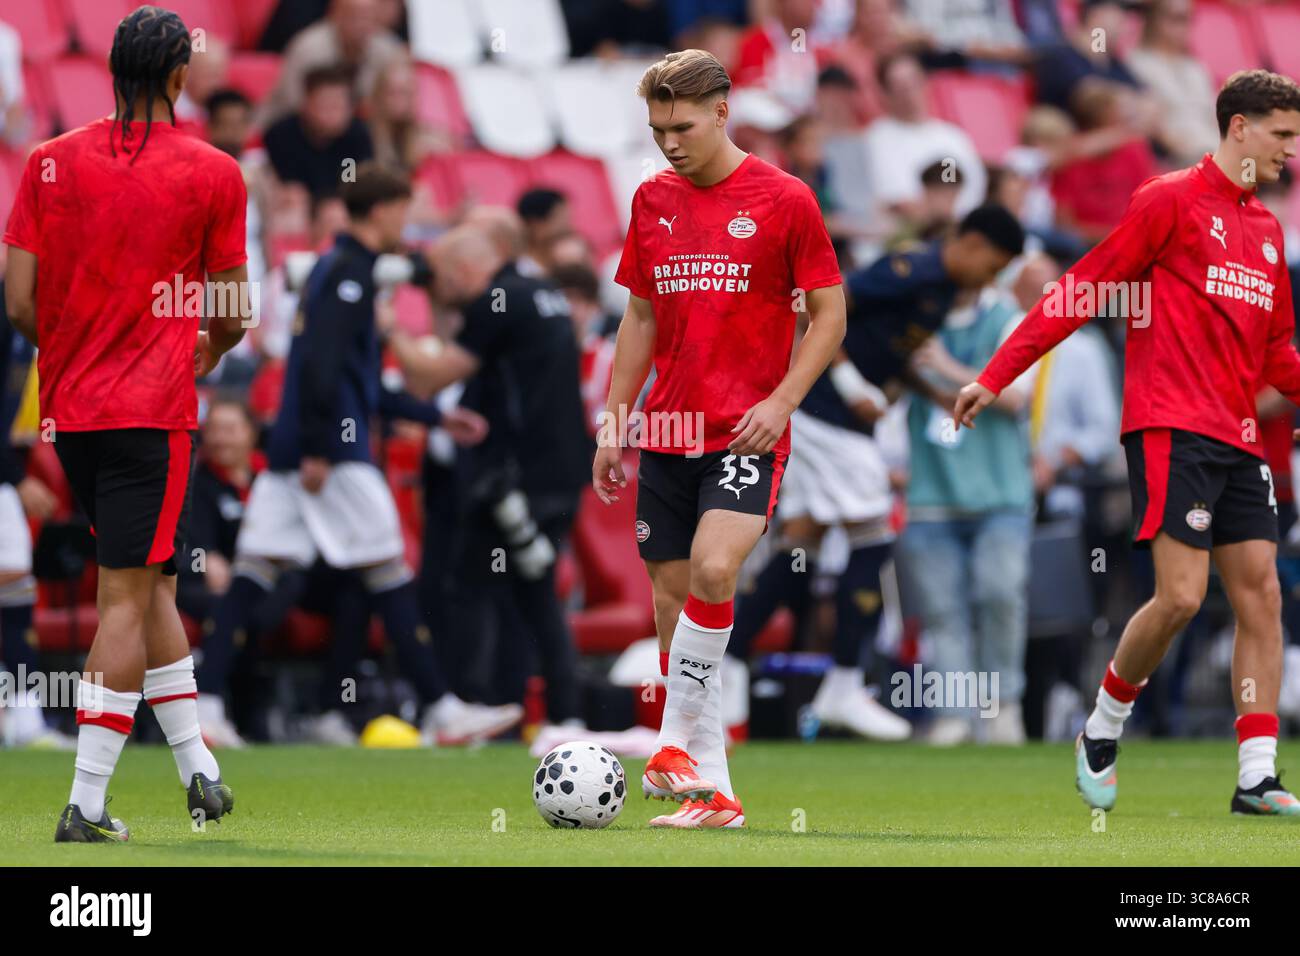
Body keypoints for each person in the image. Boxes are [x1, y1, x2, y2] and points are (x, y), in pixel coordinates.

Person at [955, 70, 1300, 816]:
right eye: (1281, 135)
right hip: (1171, 424)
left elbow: (1278, 358)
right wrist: (997, 372)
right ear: (1238, 127)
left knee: (1262, 596)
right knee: (1179, 597)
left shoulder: (1268, 234)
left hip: (1240, 438)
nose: (1291, 152)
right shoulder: (1168, 200)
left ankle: (1256, 776)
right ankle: (1103, 725)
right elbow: (1082, 286)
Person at [3, 6, 250, 842]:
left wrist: (75, 353)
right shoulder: (212, 170)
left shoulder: (47, 162)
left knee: (152, 587)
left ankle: (197, 769)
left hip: (72, 413)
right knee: (124, 597)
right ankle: (88, 803)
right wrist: (203, 353)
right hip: (153, 413)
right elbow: (232, 308)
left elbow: (18, 302)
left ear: (111, 69)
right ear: (181, 77)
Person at [592, 49, 847, 828]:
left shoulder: (785, 199)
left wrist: (783, 399)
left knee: (713, 567)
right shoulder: (652, 200)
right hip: (666, 431)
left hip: (745, 432)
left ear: (722, 113)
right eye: (658, 127)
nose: (670, 141)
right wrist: (614, 416)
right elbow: (640, 317)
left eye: (683, 125)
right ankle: (713, 792)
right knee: (673, 602)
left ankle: (670, 742)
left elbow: (829, 315)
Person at [196, 163, 521, 749]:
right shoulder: (348, 274)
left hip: (304, 449)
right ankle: (442, 709)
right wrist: (322, 447)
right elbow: (320, 369)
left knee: (251, 576)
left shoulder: (341, 270)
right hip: (333, 455)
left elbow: (357, 381)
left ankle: (207, 703)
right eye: (404, 209)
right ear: (383, 211)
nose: (409, 222)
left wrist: (433, 415)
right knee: (388, 573)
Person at [381, 223, 591, 730]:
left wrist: (389, 327)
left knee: (468, 584)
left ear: (465, 271)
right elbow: (466, 344)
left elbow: (428, 376)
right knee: (529, 587)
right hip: (559, 470)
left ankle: (471, 703)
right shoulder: (539, 293)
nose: (441, 287)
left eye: (444, 277)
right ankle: (539, 709)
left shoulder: (498, 300)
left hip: (514, 475)